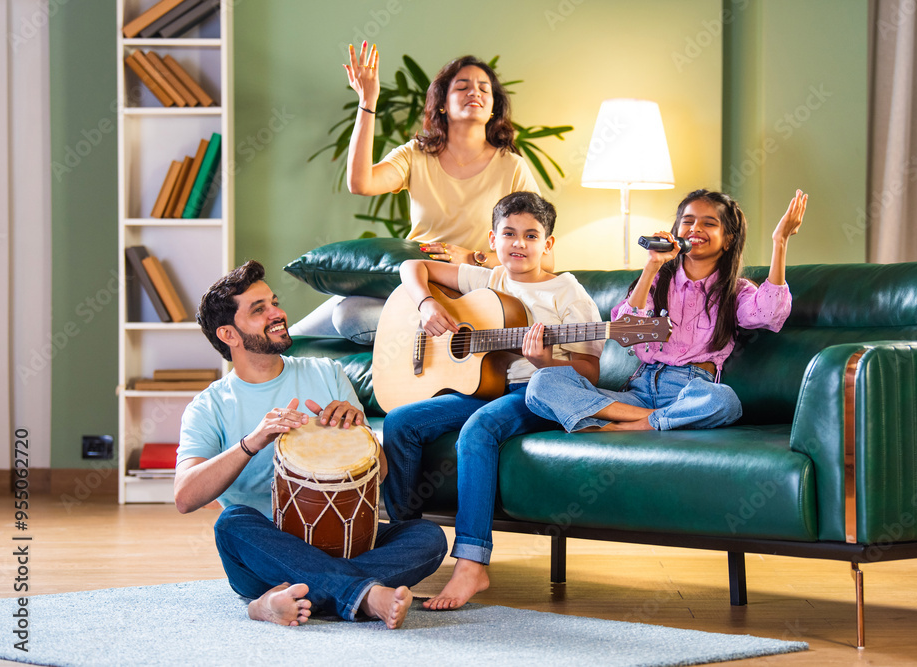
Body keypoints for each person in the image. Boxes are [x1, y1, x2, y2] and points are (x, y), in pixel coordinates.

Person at [174, 260, 447, 629]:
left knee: (427, 537)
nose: (278, 313)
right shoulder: (209, 406)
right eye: (260, 310)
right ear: (229, 335)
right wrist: (252, 443)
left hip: (347, 540)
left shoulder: (327, 374)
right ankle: (364, 594)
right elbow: (185, 497)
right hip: (266, 550)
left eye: (273, 302)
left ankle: (276, 601)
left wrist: (359, 434)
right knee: (232, 523)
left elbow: (380, 472)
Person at [381, 191, 604, 610]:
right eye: (509, 233)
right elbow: (411, 266)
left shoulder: (569, 294)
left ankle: (471, 563)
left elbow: (589, 375)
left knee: (479, 430)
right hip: (483, 389)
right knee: (400, 423)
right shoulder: (489, 281)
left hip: (536, 394)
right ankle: (402, 544)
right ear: (493, 239)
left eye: (531, 235)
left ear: (548, 244)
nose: (518, 243)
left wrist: (544, 362)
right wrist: (427, 303)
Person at [290, 43, 544, 344]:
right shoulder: (416, 155)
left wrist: (474, 258)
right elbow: (361, 183)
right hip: (415, 284)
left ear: (493, 109)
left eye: (483, 89)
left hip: (470, 293)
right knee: (294, 339)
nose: (474, 92)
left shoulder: (512, 167)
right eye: (462, 87)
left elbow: (546, 258)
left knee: (350, 315)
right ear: (442, 105)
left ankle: (449, 335)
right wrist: (367, 102)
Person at [525, 188, 808, 432]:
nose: (695, 228)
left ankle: (618, 427)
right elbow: (625, 325)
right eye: (688, 221)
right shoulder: (658, 280)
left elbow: (770, 313)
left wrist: (779, 241)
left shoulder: (736, 290)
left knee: (725, 401)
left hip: (689, 392)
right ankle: (650, 422)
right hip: (638, 391)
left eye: (709, 223)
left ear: (729, 239)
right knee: (541, 383)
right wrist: (652, 264)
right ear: (676, 231)